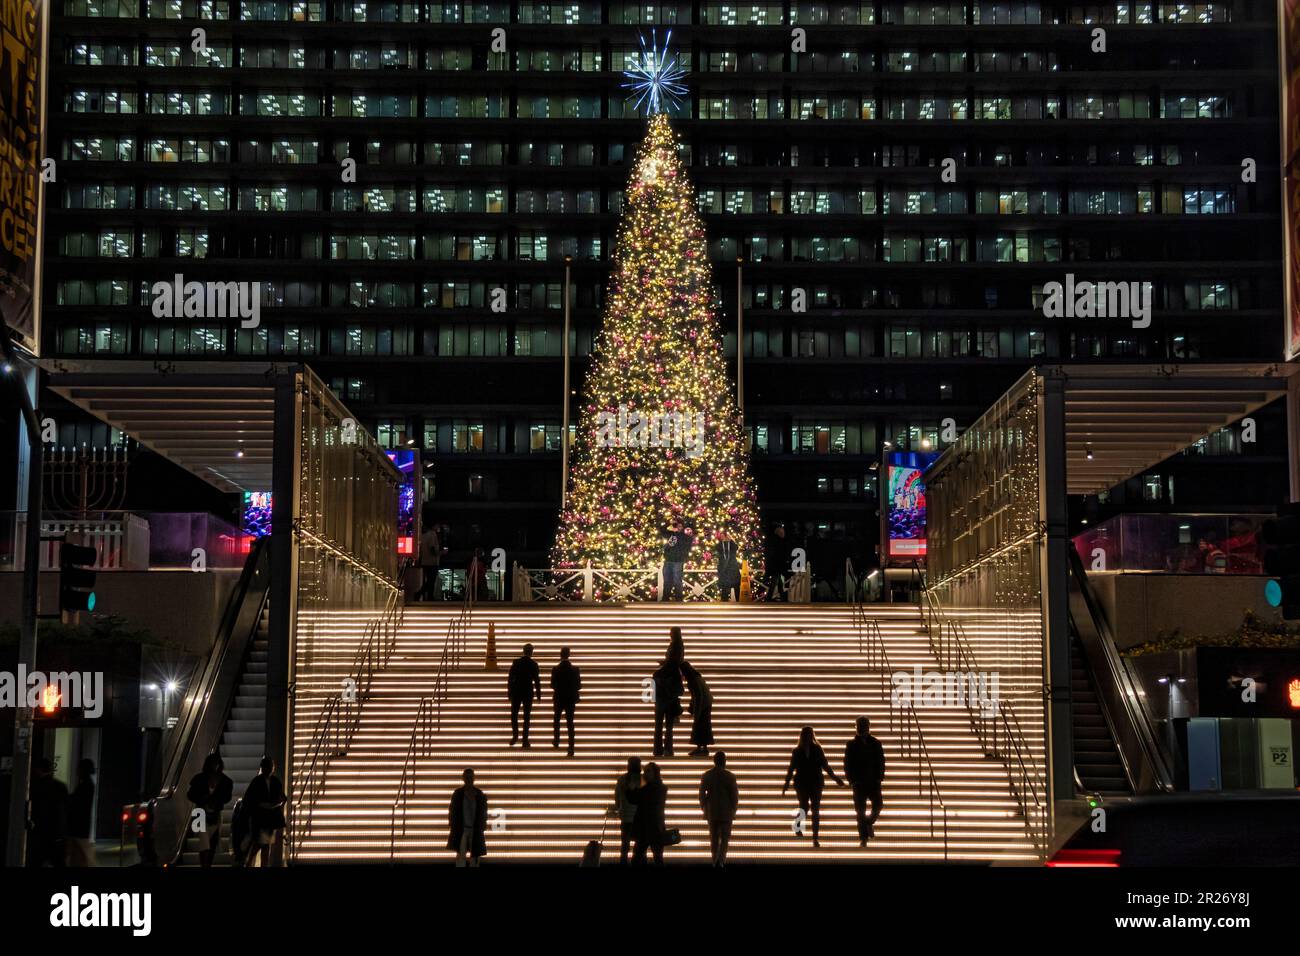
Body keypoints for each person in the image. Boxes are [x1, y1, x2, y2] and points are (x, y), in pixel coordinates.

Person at [782, 726, 844, 848]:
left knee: (814, 810)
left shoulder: (816, 749)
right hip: (803, 784)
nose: (807, 738)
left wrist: (836, 779)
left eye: (809, 735)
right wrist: (786, 784)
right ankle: (799, 826)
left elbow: (825, 765)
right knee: (805, 807)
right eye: (806, 735)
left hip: (815, 784)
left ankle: (815, 838)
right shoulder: (798, 751)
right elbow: (791, 769)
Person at [844, 717, 886, 846]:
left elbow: (881, 761)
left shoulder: (875, 743)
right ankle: (863, 838)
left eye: (864, 725)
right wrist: (852, 780)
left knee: (878, 805)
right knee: (860, 811)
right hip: (859, 782)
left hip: (873, 781)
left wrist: (879, 777)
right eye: (860, 726)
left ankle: (868, 823)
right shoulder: (851, 744)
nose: (862, 728)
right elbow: (847, 764)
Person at [186, 752, 233, 868]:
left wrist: (216, 800)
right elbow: (190, 794)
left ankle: (208, 865)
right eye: (212, 763)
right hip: (200, 814)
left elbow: (227, 797)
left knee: (211, 844)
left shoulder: (225, 781)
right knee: (204, 844)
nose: (214, 765)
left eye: (216, 763)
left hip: (215, 814)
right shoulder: (200, 778)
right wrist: (203, 798)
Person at [241, 757, 286, 867]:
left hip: (268, 818)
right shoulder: (262, 781)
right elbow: (249, 799)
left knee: (262, 844)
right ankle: (252, 862)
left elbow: (282, 797)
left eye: (271, 767)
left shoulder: (267, 781)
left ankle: (249, 862)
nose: (270, 769)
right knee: (263, 844)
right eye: (269, 767)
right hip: (260, 818)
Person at [698, 751, 739, 867]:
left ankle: (714, 860)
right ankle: (721, 861)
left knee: (714, 838)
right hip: (726, 813)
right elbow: (734, 796)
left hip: (712, 812)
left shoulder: (707, 775)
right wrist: (733, 810)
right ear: (725, 761)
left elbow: (701, 793)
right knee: (725, 839)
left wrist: (704, 807)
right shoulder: (730, 776)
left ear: (714, 761)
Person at [27, 757, 68, 867]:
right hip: (57, 832)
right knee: (58, 862)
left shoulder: (35, 786)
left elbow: (34, 809)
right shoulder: (61, 786)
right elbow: (66, 808)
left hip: (41, 831)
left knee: (36, 861)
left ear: (39, 769)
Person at [629, 762, 668, 866]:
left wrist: (639, 786)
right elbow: (633, 799)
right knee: (642, 856)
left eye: (648, 771)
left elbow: (637, 799)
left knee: (654, 857)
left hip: (653, 828)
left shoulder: (658, 788)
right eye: (644, 771)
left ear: (655, 773)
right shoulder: (657, 787)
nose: (645, 774)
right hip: (649, 828)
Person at [447, 768, 488, 867]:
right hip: (465, 829)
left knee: (466, 857)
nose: (469, 780)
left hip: (469, 829)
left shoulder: (460, 794)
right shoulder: (478, 794)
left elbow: (452, 811)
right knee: (467, 857)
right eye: (467, 777)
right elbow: (452, 811)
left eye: (470, 777)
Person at [508, 643, 542, 747]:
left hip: (516, 692)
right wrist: (538, 694)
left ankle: (515, 736)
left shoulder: (516, 662)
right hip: (528, 692)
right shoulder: (534, 664)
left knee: (514, 714)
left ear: (523, 651)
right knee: (526, 716)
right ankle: (525, 740)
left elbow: (510, 678)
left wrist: (509, 692)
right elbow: (536, 680)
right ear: (532, 652)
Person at [550, 646, 581, 756]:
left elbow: (552, 685)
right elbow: (579, 686)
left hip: (558, 698)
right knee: (570, 723)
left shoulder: (555, 669)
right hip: (570, 699)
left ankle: (557, 740)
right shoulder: (575, 669)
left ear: (560, 654)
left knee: (557, 719)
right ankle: (571, 747)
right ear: (569, 655)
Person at [66, 758, 97, 867]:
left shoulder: (85, 785)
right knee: (81, 856)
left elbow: (76, 803)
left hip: (78, 826)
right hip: (81, 826)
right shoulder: (87, 784)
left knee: (83, 856)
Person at [652, 655, 684, 757]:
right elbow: (681, 691)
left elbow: (653, 693)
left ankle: (657, 750)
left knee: (658, 727)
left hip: (659, 704)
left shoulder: (656, 674)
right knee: (669, 728)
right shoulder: (675, 676)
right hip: (670, 704)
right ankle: (668, 750)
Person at [681, 660, 714, 757]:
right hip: (707, 703)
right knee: (704, 726)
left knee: (699, 725)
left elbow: (698, 696)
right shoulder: (696, 677)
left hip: (703, 704)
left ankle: (700, 748)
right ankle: (703, 748)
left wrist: (696, 712)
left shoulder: (692, 680)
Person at [612, 757, 642, 865]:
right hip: (640, 818)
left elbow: (617, 796)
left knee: (625, 845)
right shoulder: (643, 779)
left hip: (625, 816)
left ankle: (623, 863)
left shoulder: (621, 779)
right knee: (640, 846)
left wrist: (618, 807)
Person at [660, 518, 694, 601]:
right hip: (668, 560)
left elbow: (688, 544)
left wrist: (678, 534)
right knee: (667, 581)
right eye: (677, 525)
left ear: (683, 527)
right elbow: (662, 530)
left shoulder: (685, 536)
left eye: (680, 526)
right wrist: (669, 522)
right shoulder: (671, 534)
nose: (678, 527)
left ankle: (679, 599)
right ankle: (665, 599)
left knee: (677, 581)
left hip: (678, 561)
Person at [417, 521, 442, 601]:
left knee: (429, 580)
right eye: (437, 526)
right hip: (432, 562)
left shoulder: (423, 535)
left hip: (425, 561)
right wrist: (440, 553)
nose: (439, 528)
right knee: (431, 581)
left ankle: (428, 596)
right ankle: (420, 593)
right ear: (434, 526)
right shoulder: (432, 534)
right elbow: (432, 549)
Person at [716, 529, 741, 601]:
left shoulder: (732, 544)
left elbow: (736, 547)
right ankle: (724, 602)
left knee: (736, 585)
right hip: (724, 567)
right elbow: (717, 549)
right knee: (724, 586)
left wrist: (731, 540)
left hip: (733, 566)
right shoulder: (720, 545)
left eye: (724, 536)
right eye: (721, 536)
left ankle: (739, 602)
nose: (723, 537)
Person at [766, 523, 788, 601]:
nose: (784, 533)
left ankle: (783, 598)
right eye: (782, 532)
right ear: (780, 533)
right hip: (776, 565)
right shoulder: (778, 542)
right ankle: (768, 599)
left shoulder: (774, 540)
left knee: (778, 582)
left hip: (775, 565)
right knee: (774, 583)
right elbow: (778, 555)